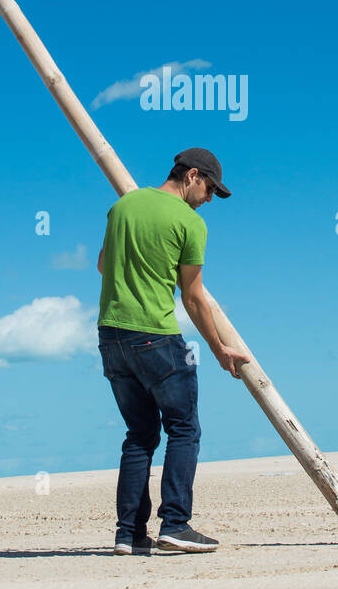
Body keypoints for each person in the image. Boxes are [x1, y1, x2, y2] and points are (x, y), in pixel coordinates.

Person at [96, 147, 249, 555]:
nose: (210, 199)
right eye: (211, 189)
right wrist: (220, 349)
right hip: (155, 336)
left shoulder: (123, 207)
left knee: (139, 435)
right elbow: (193, 296)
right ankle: (176, 524)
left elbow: (101, 266)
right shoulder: (189, 222)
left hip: (111, 337)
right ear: (193, 175)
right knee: (183, 427)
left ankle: (129, 534)